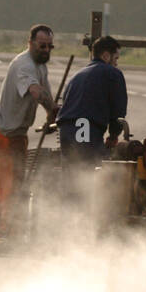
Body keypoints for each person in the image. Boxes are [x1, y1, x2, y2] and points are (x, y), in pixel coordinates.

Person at [0, 25, 55, 249]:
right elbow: (36, 92)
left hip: (18, 133)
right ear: (30, 43)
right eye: (42, 46)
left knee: (10, 184)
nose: (46, 50)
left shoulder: (41, 67)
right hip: (4, 131)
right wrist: (51, 107)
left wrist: (51, 116)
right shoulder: (24, 65)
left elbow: (47, 95)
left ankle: (1, 232)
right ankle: (3, 236)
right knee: (9, 185)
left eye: (50, 46)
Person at [56, 35, 128, 193]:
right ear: (106, 56)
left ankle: (65, 209)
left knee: (70, 174)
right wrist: (114, 135)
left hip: (65, 130)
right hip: (84, 126)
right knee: (90, 169)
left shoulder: (77, 75)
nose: (116, 63)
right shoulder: (113, 74)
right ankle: (88, 211)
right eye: (116, 58)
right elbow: (119, 111)